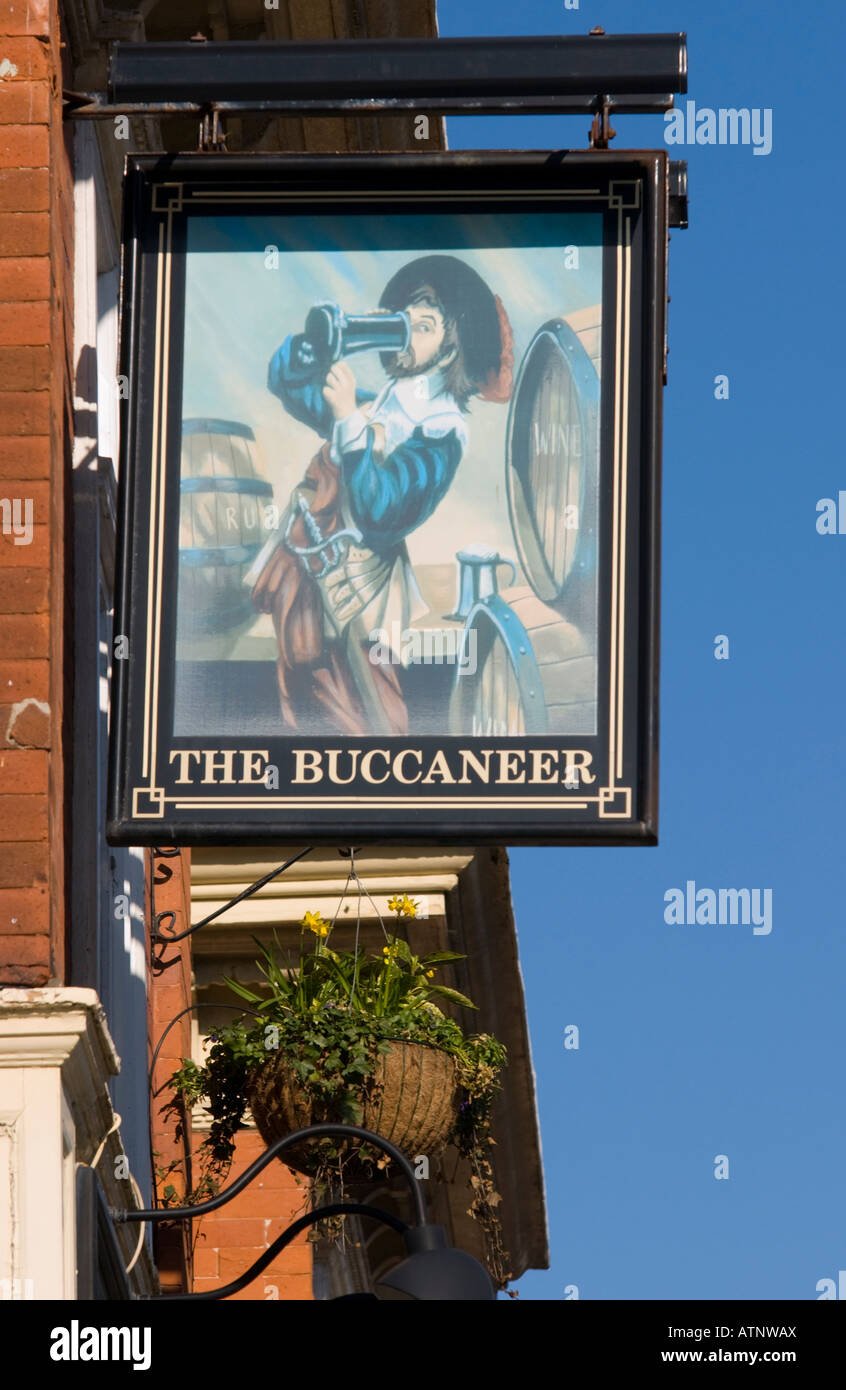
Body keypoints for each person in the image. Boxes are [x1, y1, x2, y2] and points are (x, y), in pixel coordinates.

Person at [249, 254, 513, 735]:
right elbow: (286, 384)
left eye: (426, 325)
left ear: (451, 348)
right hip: (313, 571)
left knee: (367, 716)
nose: (407, 330)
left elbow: (381, 510)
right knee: (302, 700)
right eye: (406, 318)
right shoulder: (386, 401)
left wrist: (349, 418)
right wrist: (310, 351)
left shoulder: (442, 430)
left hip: (359, 597)